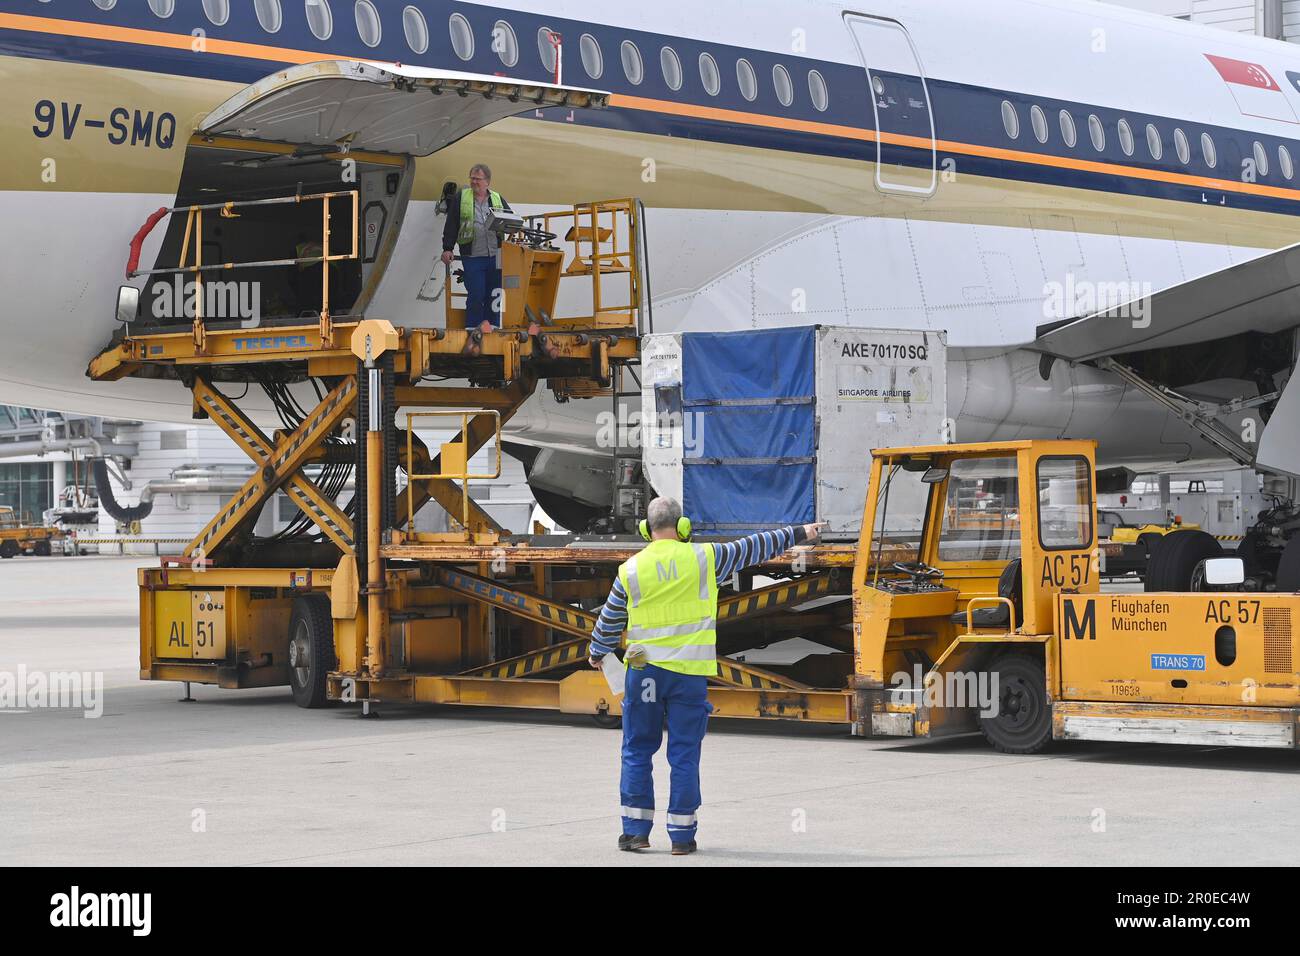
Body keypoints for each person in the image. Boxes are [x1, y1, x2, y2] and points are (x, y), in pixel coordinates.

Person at [587, 496, 824, 855]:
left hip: (644, 672)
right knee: (684, 753)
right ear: (683, 528)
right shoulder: (704, 558)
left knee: (637, 749)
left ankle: (635, 832)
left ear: (645, 530)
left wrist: (595, 652)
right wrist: (801, 532)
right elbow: (754, 546)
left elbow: (609, 620)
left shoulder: (631, 569)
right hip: (688, 674)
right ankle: (681, 838)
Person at [441, 163, 511, 335]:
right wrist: (447, 248)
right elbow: (452, 224)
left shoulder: (497, 198)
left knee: (495, 292)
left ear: (487, 181)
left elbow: (511, 219)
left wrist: (514, 228)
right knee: (476, 292)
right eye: (471, 178)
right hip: (472, 255)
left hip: (497, 254)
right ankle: (473, 327)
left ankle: (492, 326)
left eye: (477, 179)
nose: (473, 182)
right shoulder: (461, 198)